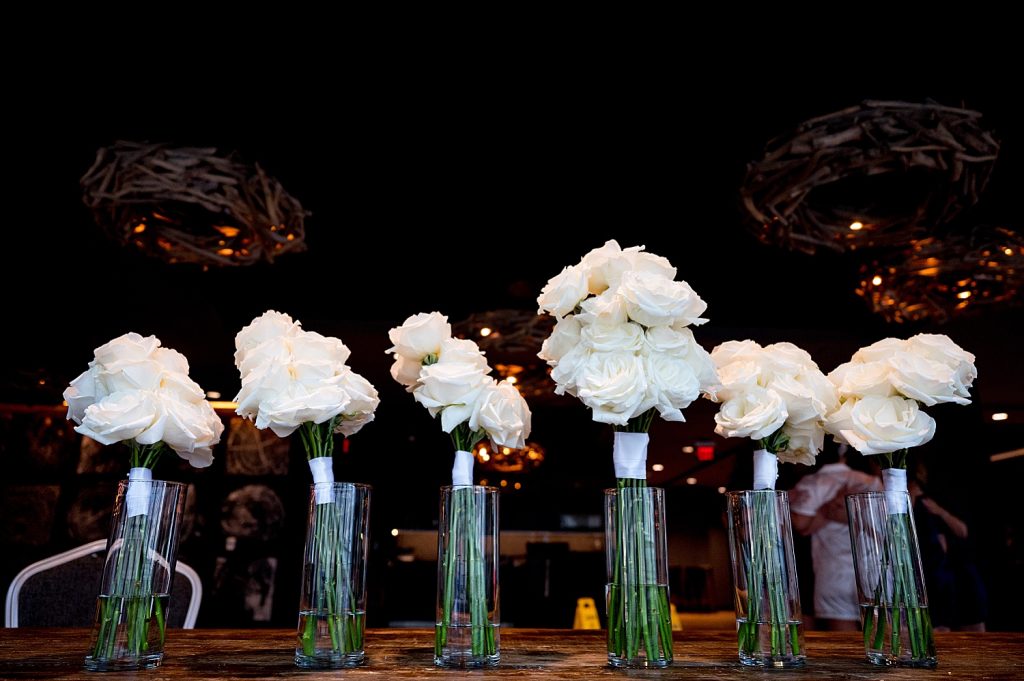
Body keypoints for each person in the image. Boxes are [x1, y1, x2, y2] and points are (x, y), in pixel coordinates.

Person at [789, 444, 881, 631]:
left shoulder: (813, 483)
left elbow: (800, 524)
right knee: (881, 640)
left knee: (846, 645)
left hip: (832, 573)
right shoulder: (871, 482)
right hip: (874, 571)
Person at [909, 460, 987, 632]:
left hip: (958, 572)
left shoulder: (939, 499)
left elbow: (962, 531)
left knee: (974, 628)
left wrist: (939, 511)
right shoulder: (910, 503)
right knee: (941, 630)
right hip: (933, 576)